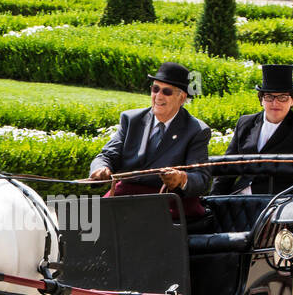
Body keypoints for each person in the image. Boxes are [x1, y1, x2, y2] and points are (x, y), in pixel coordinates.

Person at [89, 61, 212, 217]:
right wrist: (100, 168)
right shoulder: (131, 119)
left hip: (167, 201)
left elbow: (201, 179)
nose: (158, 96)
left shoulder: (197, 131)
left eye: (166, 91)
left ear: (182, 98)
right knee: (85, 224)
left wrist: (181, 178)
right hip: (125, 196)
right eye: (155, 89)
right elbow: (107, 156)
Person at [212, 63, 293, 196]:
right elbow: (227, 168)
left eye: (282, 97)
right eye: (269, 97)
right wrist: (213, 200)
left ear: (292, 100)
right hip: (240, 197)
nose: (275, 103)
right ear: (261, 99)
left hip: (277, 202)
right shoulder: (245, 123)